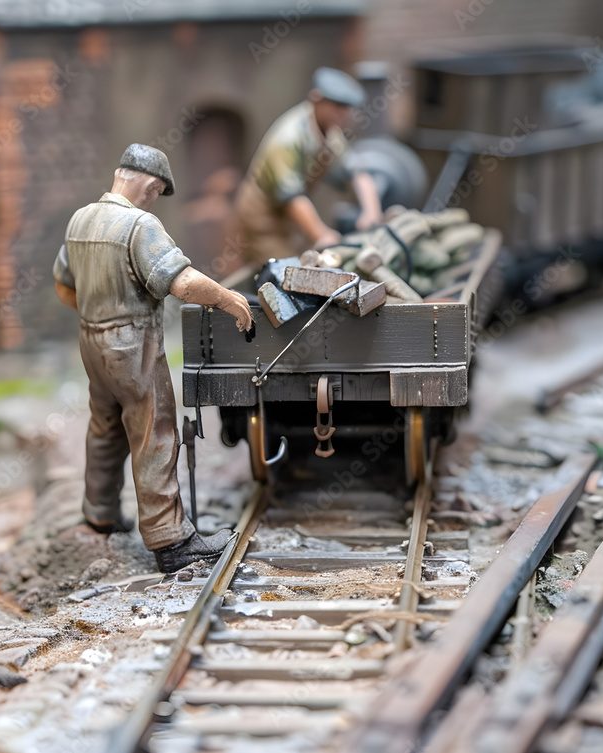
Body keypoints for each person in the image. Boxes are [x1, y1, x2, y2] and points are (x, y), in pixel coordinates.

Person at [53, 143, 253, 573]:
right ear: (149, 183)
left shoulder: (80, 218)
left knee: (104, 427)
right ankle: (170, 539)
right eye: (158, 191)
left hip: (91, 342)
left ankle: (100, 512)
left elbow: (63, 286)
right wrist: (227, 299)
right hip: (132, 344)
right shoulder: (140, 225)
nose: (155, 198)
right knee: (154, 430)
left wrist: (97, 317)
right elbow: (180, 281)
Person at [233, 67, 383, 264]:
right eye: (336, 106)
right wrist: (321, 233)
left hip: (291, 221)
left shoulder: (330, 133)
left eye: (345, 109)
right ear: (316, 99)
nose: (342, 115)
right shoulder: (288, 139)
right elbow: (291, 197)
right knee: (286, 271)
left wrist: (371, 213)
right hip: (264, 219)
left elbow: (356, 172)